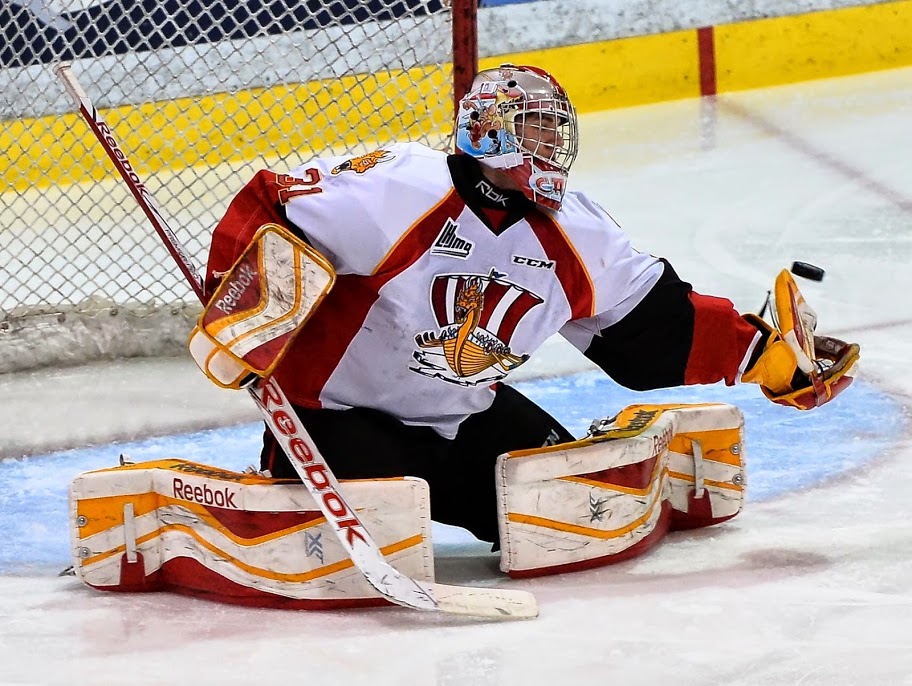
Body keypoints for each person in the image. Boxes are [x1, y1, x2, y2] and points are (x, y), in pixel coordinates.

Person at [201, 64, 857, 546]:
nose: (551, 147)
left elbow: (657, 327)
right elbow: (270, 206)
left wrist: (764, 354)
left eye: (554, 132)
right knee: (372, 533)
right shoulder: (397, 191)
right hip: (339, 417)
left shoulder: (577, 233)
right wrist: (248, 311)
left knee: (572, 519)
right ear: (487, 136)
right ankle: (273, 483)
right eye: (535, 130)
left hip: (462, 416)